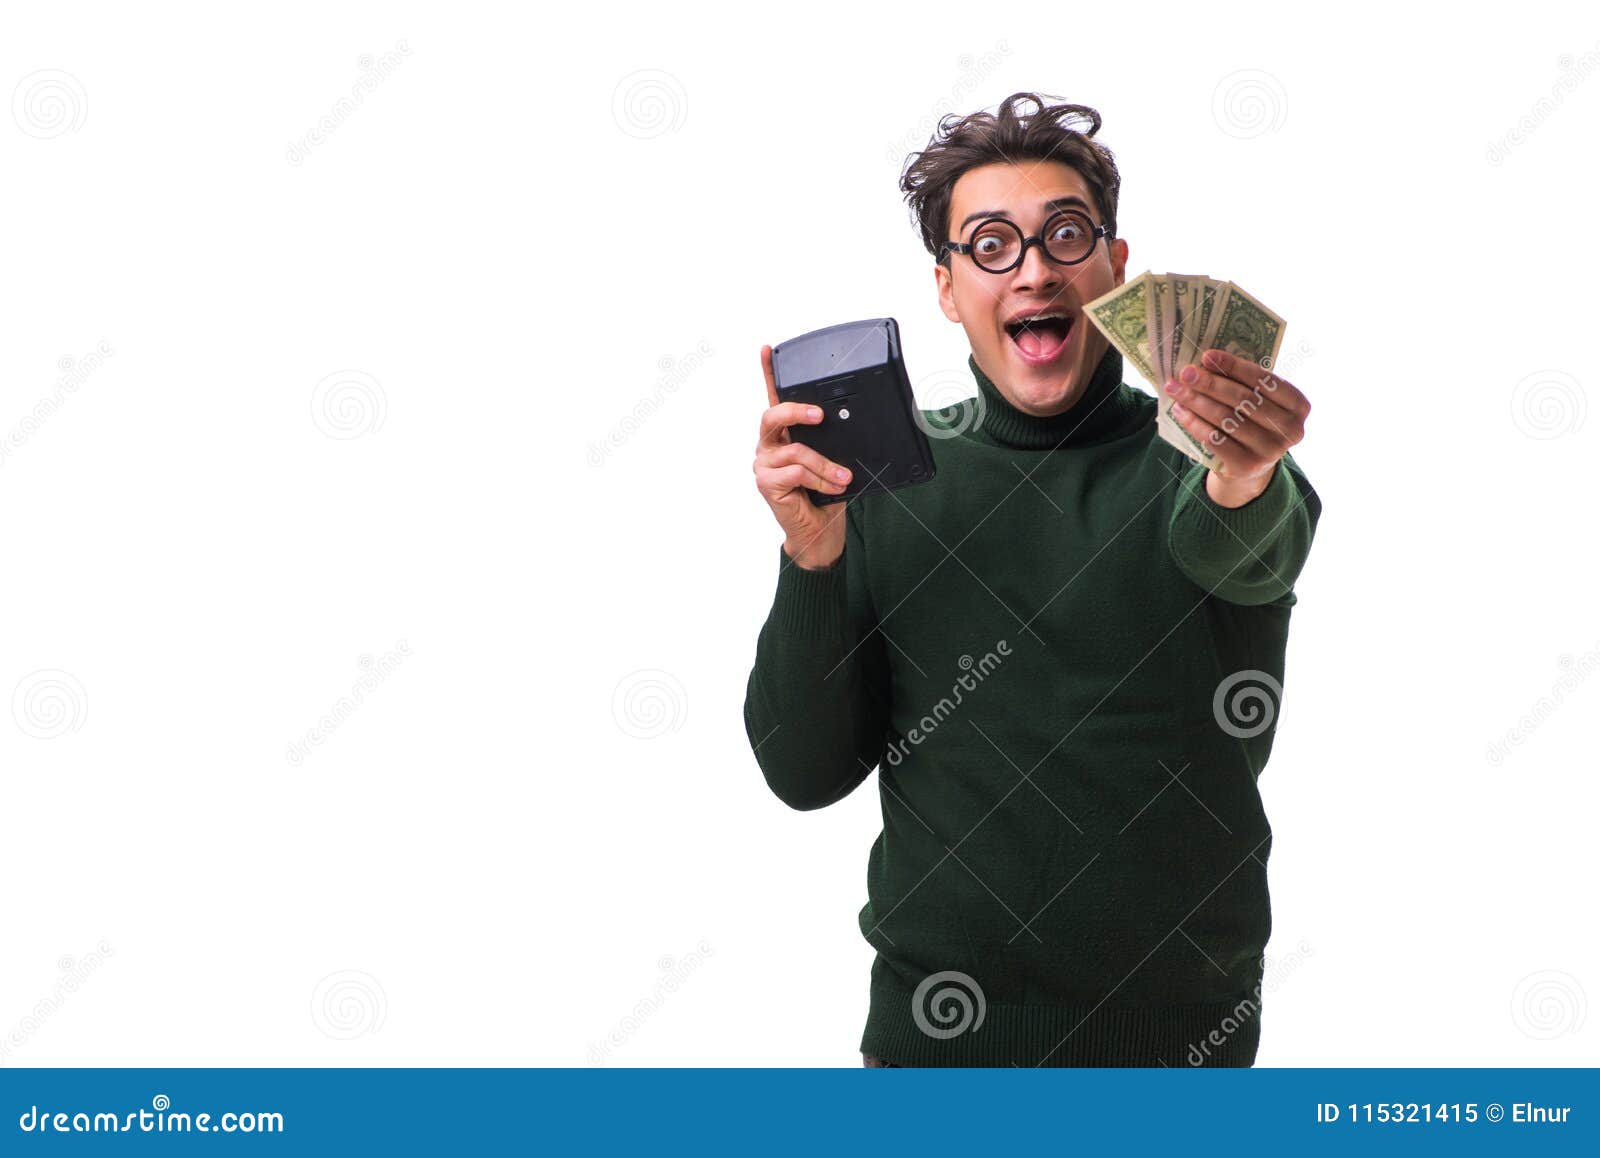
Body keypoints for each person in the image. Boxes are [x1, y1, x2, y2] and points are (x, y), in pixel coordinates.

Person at [743, 93, 1319, 1067]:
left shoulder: (1200, 460)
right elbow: (804, 774)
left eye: (1063, 235)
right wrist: (811, 559)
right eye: (991, 245)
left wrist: (1246, 473)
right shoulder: (881, 488)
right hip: (934, 1051)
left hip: (1177, 1048)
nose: (1035, 269)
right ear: (944, 287)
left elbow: (1245, 544)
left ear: (1115, 267)